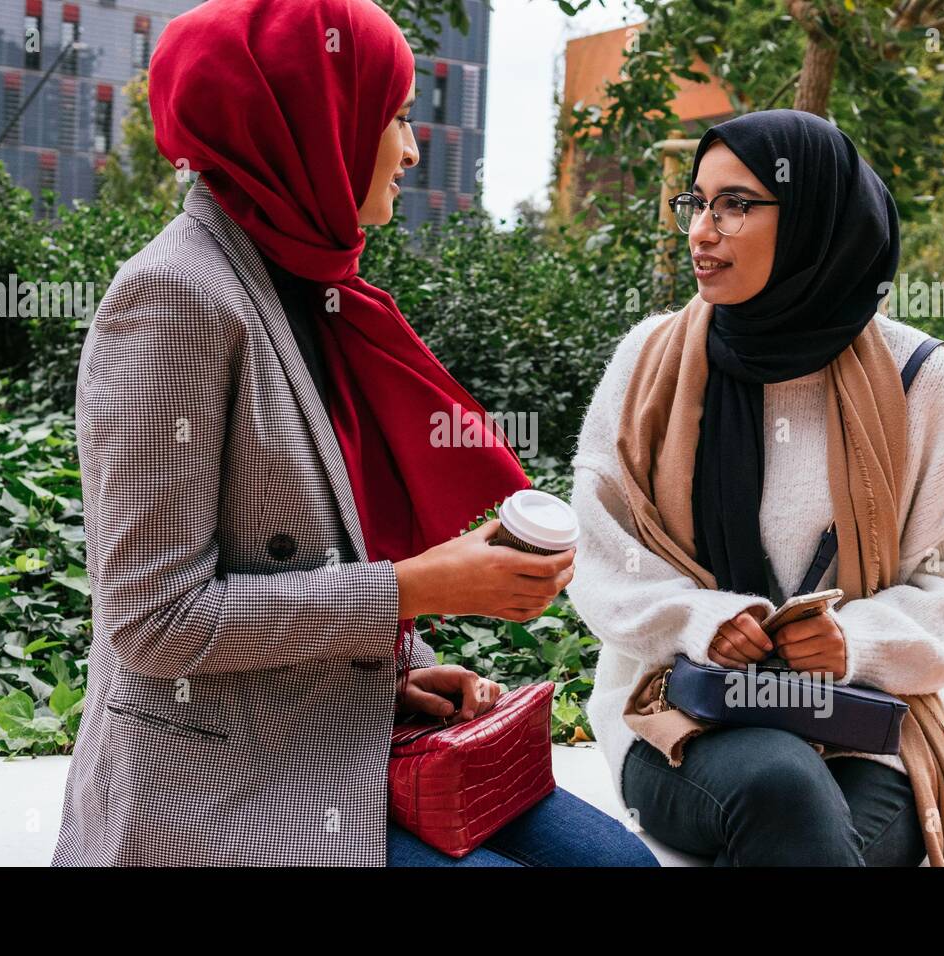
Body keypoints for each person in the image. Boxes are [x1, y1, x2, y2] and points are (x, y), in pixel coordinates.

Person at [50, 0, 656, 868]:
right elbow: (154, 621)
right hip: (218, 786)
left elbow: (311, 539)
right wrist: (411, 589)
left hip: (340, 731)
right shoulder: (177, 297)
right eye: (398, 117)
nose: (411, 151)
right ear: (313, 118)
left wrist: (398, 669)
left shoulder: (304, 277)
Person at [565, 109, 944, 866]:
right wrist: (702, 621)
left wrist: (855, 641)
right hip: (680, 719)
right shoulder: (649, 361)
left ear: (814, 218)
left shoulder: (916, 378)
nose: (701, 231)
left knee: (812, 831)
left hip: (862, 731)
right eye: (697, 203)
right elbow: (600, 548)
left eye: (735, 204)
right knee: (784, 788)